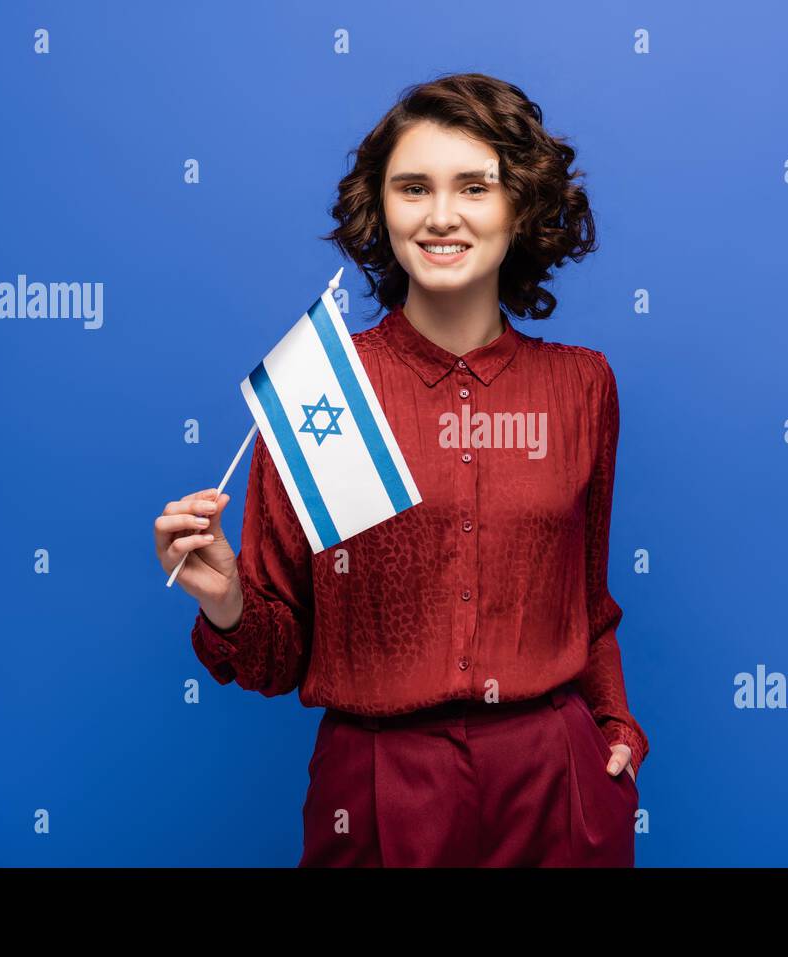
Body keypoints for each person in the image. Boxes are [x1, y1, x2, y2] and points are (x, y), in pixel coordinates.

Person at [153, 72, 649, 866]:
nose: (441, 215)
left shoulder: (582, 385)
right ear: (380, 210)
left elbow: (587, 602)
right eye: (413, 187)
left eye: (474, 187)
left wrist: (616, 726)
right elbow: (280, 656)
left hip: (555, 786)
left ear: (518, 206)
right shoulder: (320, 392)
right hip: (378, 790)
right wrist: (227, 600)